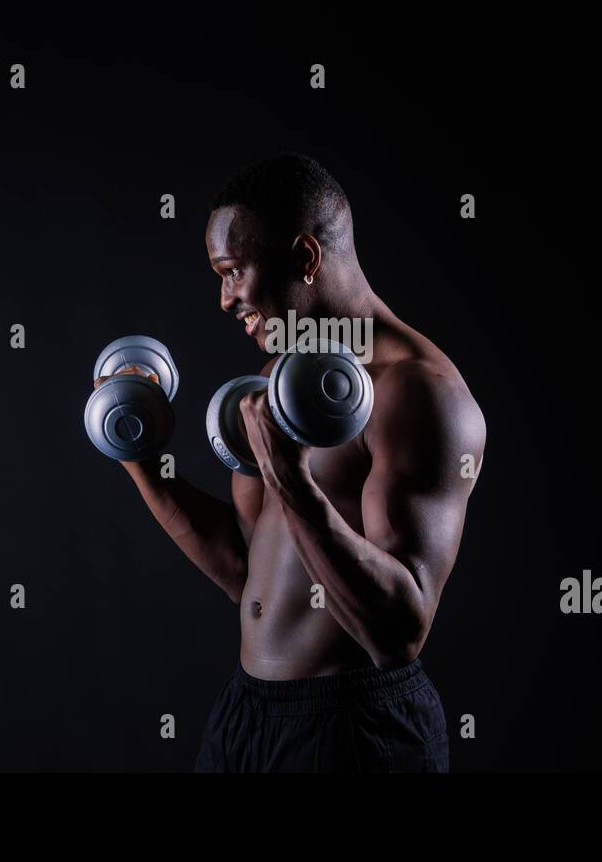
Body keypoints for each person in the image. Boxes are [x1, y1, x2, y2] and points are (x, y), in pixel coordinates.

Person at [101, 154, 486, 771]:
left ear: (306, 257)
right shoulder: (279, 378)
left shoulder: (418, 393)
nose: (225, 299)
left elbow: (399, 632)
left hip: (356, 728)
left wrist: (291, 479)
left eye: (233, 272)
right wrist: (138, 450)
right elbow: (241, 567)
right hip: (247, 717)